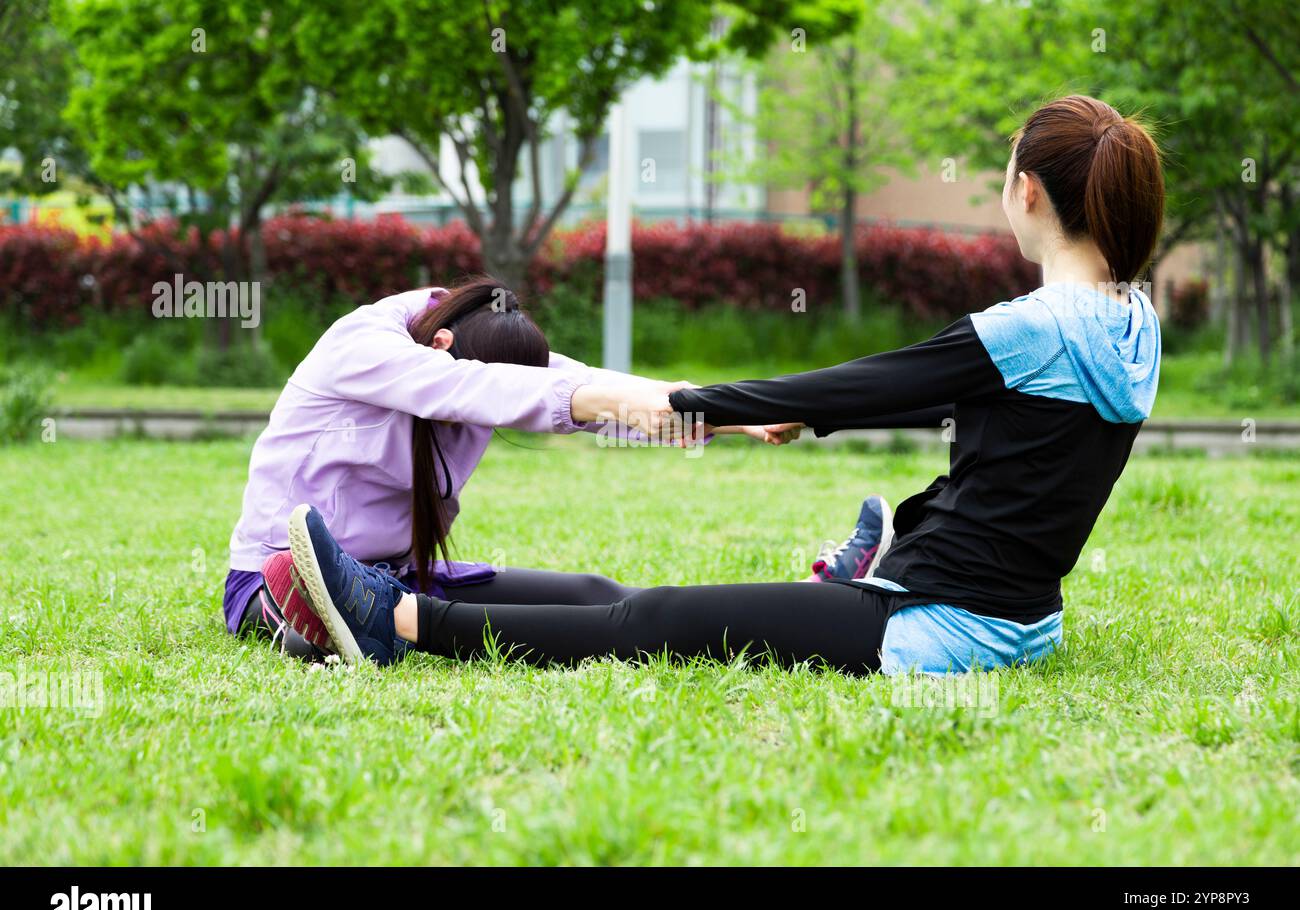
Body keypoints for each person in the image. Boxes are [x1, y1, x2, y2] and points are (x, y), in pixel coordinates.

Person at [283, 94, 1165, 676]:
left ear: (1028, 192)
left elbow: (863, 384)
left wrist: (694, 404)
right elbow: (944, 400)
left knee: (654, 621)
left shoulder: (1024, 330)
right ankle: (835, 587)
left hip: (937, 627)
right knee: (653, 603)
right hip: (1023, 618)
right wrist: (793, 419)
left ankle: (395, 622)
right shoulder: (1135, 329)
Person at [225, 276, 794, 661]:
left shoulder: (477, 336)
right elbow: (481, 387)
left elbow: (597, 387)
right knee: (327, 612)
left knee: (598, 594)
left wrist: (730, 414)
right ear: (439, 343)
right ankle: (320, 628)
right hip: (278, 578)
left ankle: (774, 618)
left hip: (391, 577)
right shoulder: (364, 344)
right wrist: (599, 402)